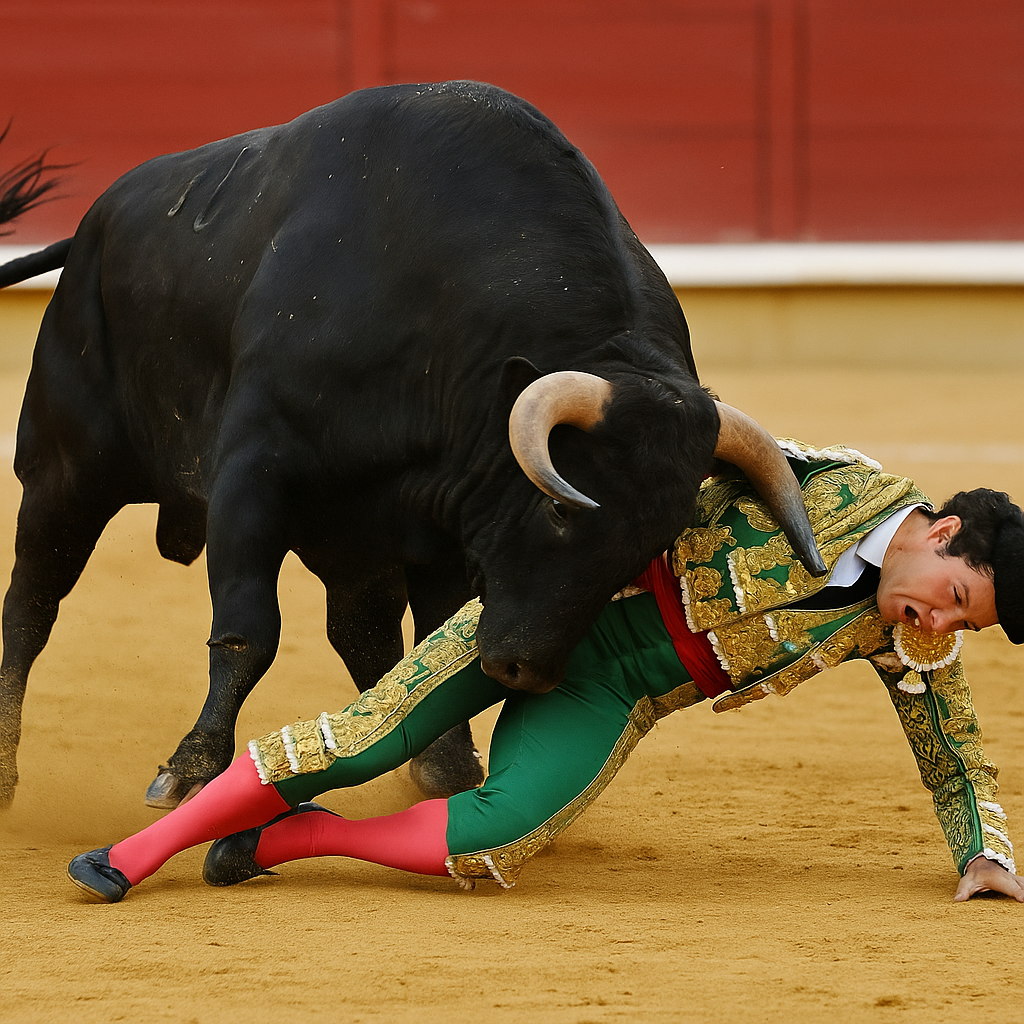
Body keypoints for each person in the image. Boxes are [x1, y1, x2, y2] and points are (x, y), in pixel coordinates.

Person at [67, 439, 1024, 903]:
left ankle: (295, 841)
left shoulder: (904, 635)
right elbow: (666, 460)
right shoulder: (830, 481)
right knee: (370, 739)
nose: (939, 621)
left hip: (616, 694)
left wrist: (986, 854)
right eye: (951, 595)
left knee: (498, 839)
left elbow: (953, 744)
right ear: (939, 533)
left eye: (962, 624)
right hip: (558, 616)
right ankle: (138, 854)